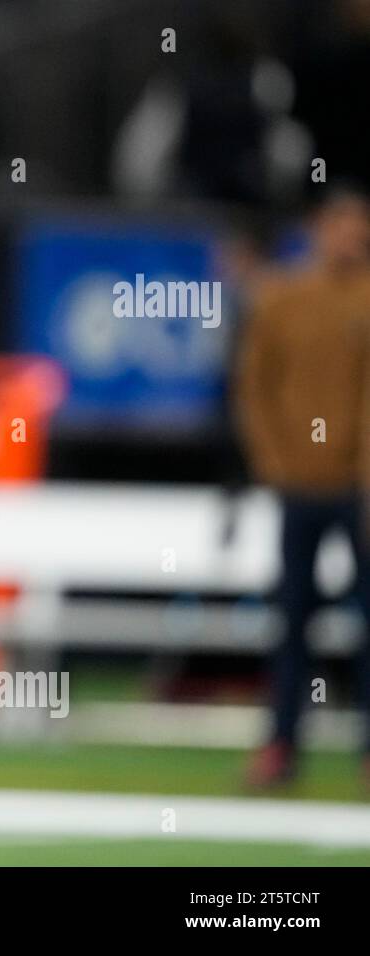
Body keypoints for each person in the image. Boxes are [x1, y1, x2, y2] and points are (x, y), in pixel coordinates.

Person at [234, 188, 370, 788]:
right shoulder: (283, 298)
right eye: (342, 225)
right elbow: (255, 388)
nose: (352, 238)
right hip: (299, 487)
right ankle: (282, 747)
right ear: (319, 230)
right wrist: (274, 462)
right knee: (291, 619)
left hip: (358, 487)